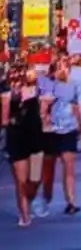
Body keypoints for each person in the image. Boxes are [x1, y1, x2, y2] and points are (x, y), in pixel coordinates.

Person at [37, 59, 81, 217]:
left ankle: (71, 201)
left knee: (69, 165)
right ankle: (47, 198)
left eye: (65, 67)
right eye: (59, 68)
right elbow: (42, 108)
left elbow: (78, 108)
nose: (62, 70)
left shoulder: (75, 85)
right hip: (50, 131)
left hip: (68, 129)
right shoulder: (47, 85)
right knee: (48, 168)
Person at [2, 69, 43, 227]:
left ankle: (28, 203)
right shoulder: (7, 95)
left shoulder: (38, 93)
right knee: (21, 180)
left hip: (35, 138)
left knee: (35, 180)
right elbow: (4, 118)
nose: (18, 81)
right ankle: (24, 215)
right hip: (17, 137)